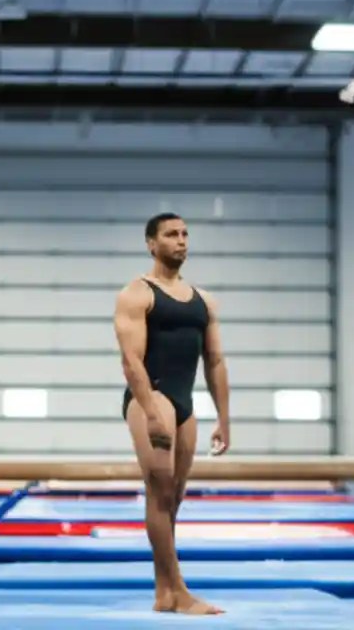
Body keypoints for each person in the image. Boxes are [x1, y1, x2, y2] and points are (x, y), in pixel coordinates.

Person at [113, 212, 229, 615]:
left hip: (185, 403)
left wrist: (224, 418)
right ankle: (178, 590)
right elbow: (131, 360)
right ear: (151, 243)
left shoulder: (203, 300)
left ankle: (164, 594)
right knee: (160, 491)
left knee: (173, 497)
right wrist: (149, 410)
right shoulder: (137, 293)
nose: (181, 241)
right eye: (171, 234)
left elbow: (215, 361)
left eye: (185, 234)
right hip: (154, 395)